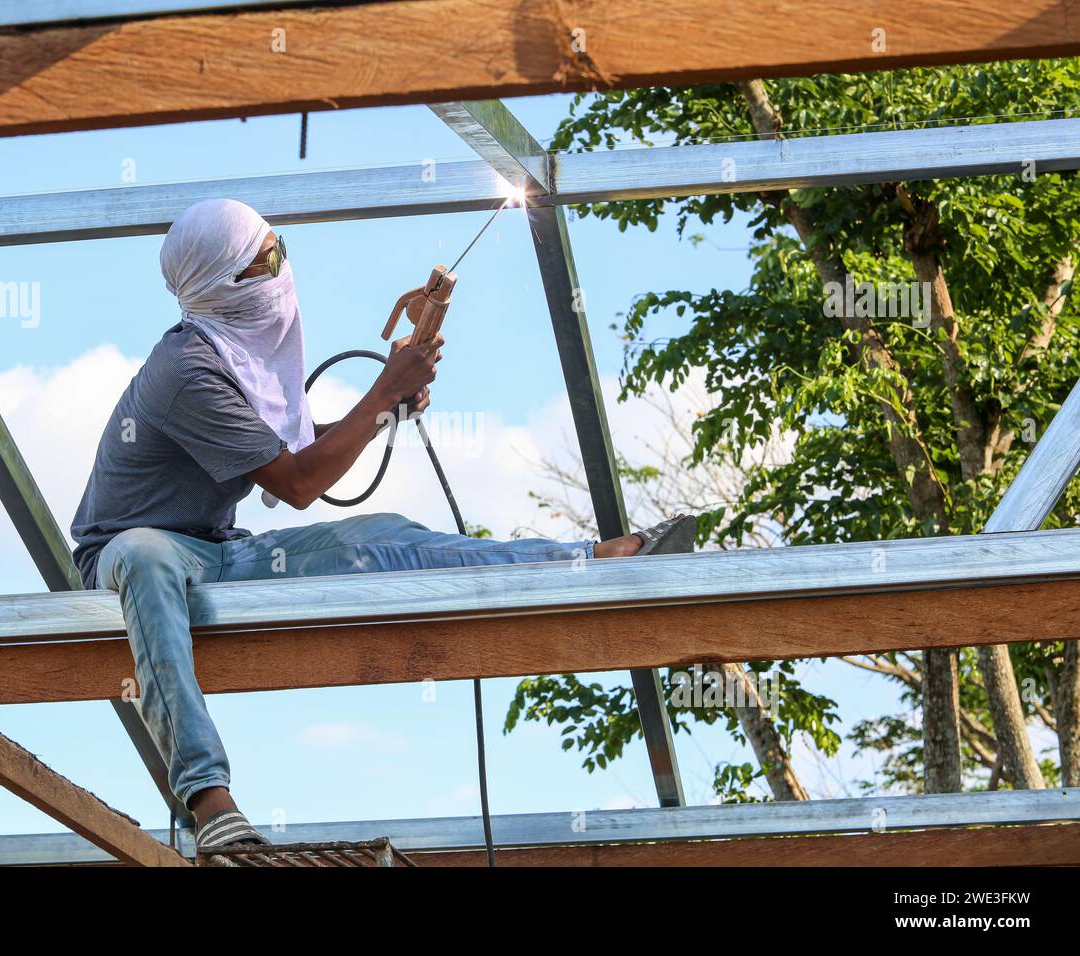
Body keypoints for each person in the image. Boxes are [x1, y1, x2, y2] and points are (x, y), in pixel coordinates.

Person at [70, 198, 694, 856]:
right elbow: (300, 483)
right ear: (223, 286)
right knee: (145, 554)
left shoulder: (236, 358)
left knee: (381, 537)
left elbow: (297, 450)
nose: (284, 271)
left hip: (214, 552)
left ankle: (591, 558)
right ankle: (210, 801)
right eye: (267, 262)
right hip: (129, 554)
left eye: (282, 249)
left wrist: (390, 402)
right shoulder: (185, 372)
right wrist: (382, 392)